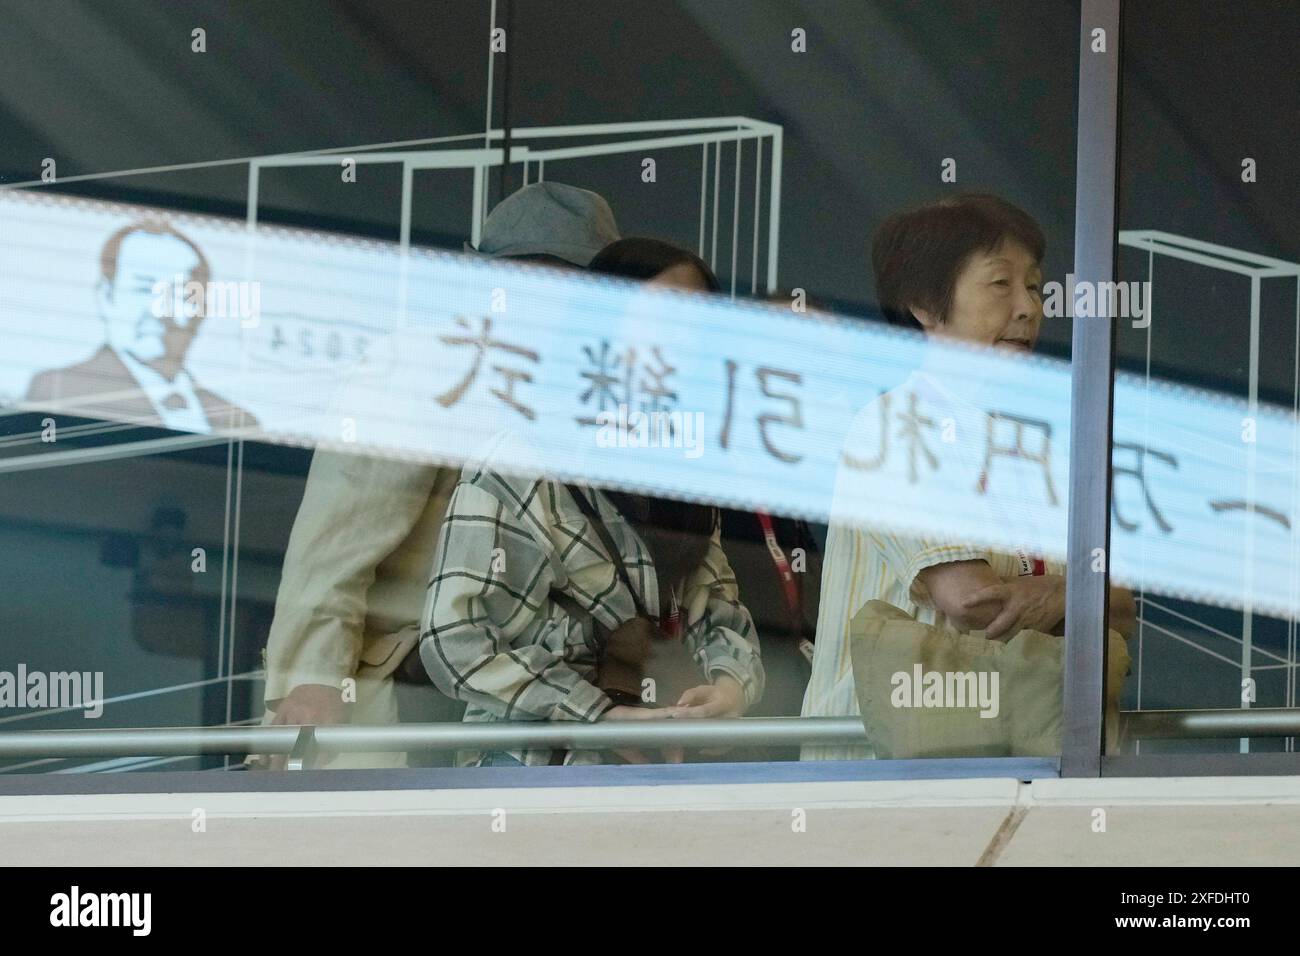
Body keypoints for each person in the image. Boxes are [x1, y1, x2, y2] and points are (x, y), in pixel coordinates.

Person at [257, 182, 620, 770]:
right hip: (406, 701)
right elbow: (336, 538)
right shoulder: (426, 362)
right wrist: (310, 679)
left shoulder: (586, 391)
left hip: (540, 707)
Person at [801, 193, 1136, 760]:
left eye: (1034, 285)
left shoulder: (1042, 447)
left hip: (1020, 759)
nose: (1029, 307)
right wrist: (1074, 597)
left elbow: (1125, 610)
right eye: (1000, 284)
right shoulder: (895, 426)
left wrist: (1053, 593)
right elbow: (972, 602)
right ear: (926, 307)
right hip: (882, 777)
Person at [419, 238, 765, 767]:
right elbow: (454, 641)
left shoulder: (687, 465)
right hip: (533, 769)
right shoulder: (522, 458)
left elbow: (718, 612)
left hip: (655, 761)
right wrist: (596, 716)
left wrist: (729, 686)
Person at [25, 219, 258, 432]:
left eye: (179, 294)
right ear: (106, 297)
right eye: (143, 289)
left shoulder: (240, 421)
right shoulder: (57, 390)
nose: (159, 310)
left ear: (202, 310)